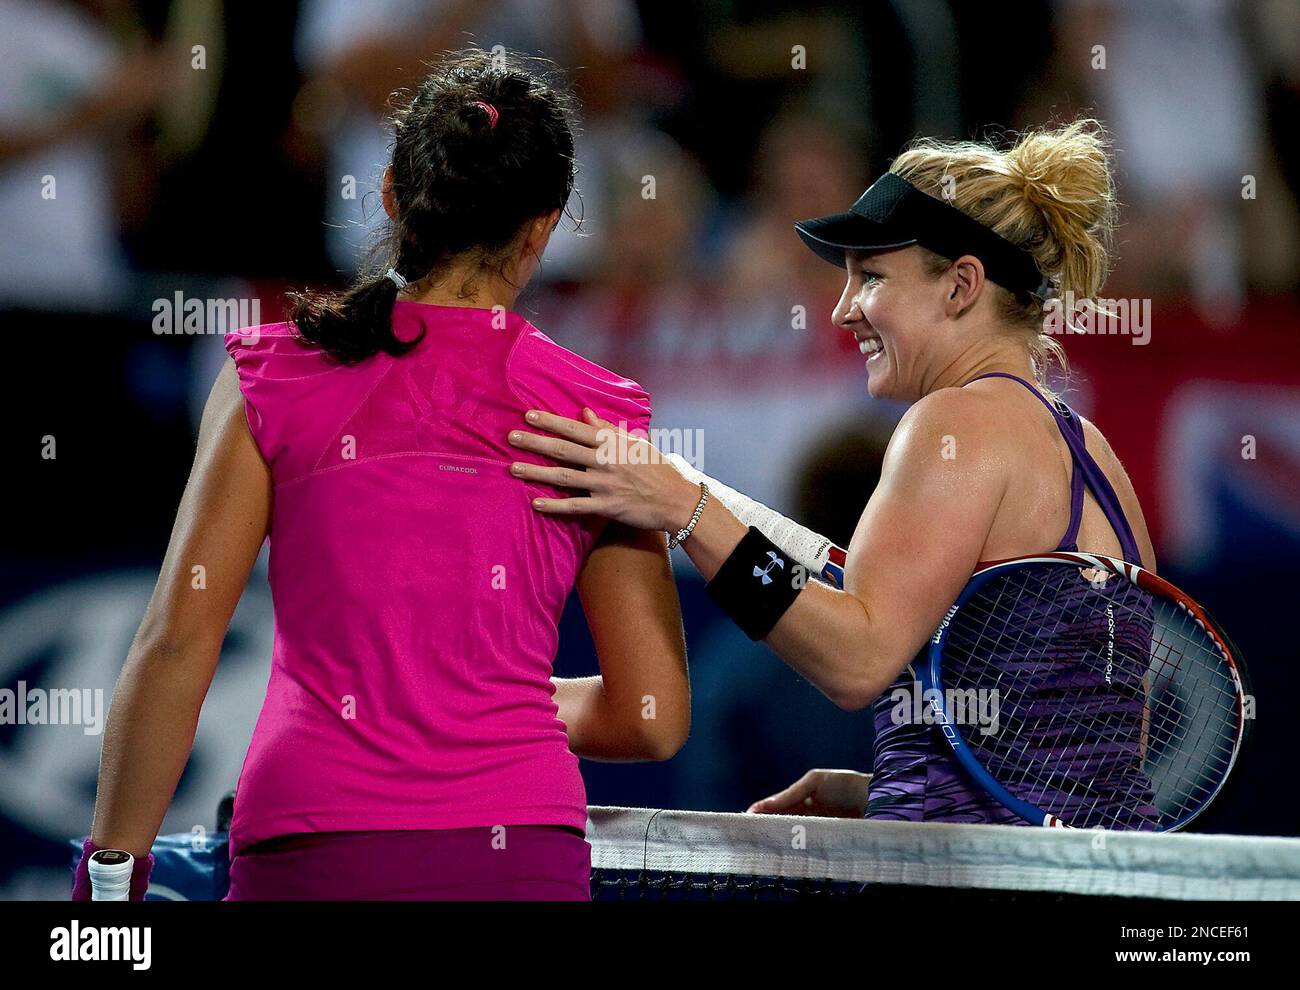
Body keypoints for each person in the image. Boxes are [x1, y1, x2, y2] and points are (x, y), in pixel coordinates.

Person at [73, 50, 689, 902]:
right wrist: (481, 698)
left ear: (394, 193)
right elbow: (651, 718)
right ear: (544, 228)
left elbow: (178, 642)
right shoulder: (597, 412)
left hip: (311, 844)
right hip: (516, 854)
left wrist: (106, 889)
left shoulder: (271, 377)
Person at [506, 118, 1158, 825]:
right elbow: (1106, 740)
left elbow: (856, 659)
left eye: (871, 277)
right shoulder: (1094, 455)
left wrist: (686, 509)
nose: (844, 310)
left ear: (961, 286)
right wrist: (890, 793)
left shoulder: (956, 425)